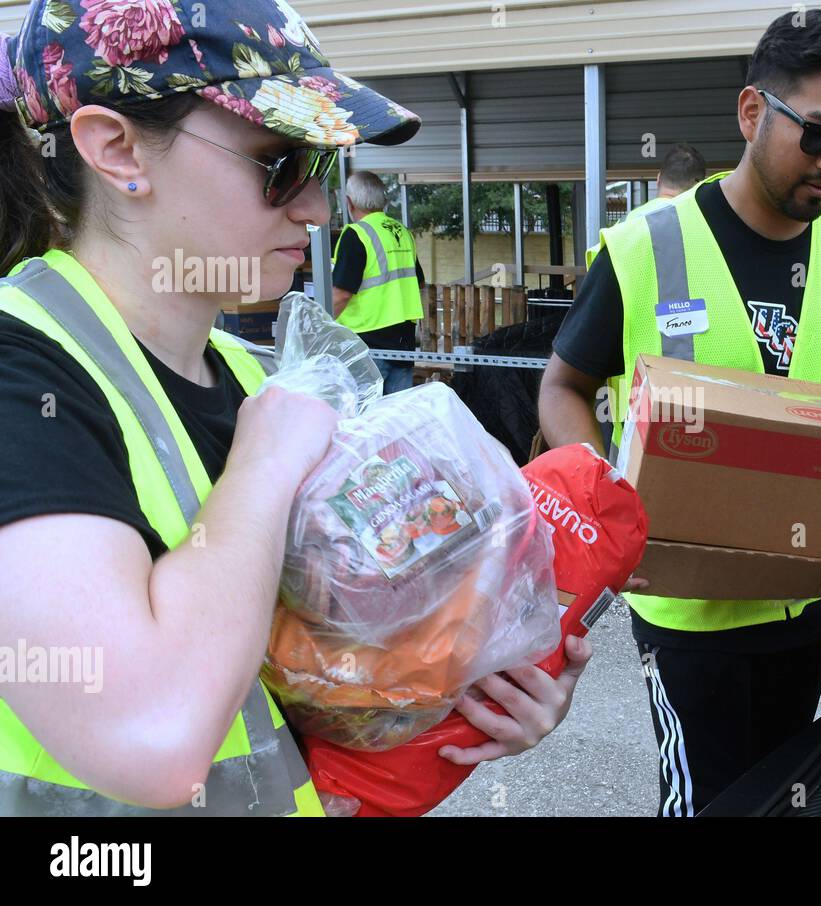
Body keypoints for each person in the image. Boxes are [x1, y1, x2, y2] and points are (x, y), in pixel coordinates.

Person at [0, 0, 586, 816]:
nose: (316, 210)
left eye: (325, 170)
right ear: (117, 148)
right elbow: (152, 738)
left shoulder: (254, 373)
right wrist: (266, 463)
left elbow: (319, 677)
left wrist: (479, 677)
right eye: (281, 163)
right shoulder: (21, 378)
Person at [538, 8, 821, 816]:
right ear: (752, 112)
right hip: (687, 614)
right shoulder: (644, 245)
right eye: (818, 133)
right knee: (707, 802)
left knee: (784, 797)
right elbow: (562, 385)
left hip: (807, 601)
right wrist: (606, 494)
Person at [331, 170, 426, 394]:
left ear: (349, 202)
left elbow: (342, 294)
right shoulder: (401, 232)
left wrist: (320, 327)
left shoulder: (356, 234)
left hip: (366, 341)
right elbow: (418, 282)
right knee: (393, 418)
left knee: (364, 417)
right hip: (403, 340)